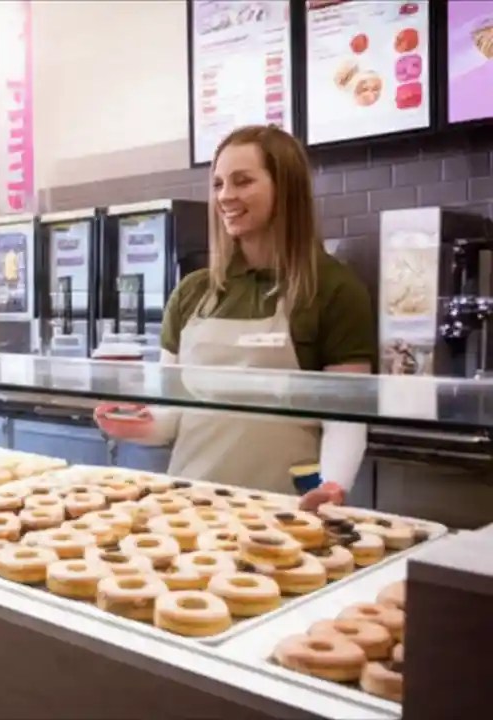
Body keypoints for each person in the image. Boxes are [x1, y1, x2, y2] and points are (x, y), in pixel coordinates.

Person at [94, 125, 374, 509]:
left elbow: (345, 419)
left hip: (284, 510)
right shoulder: (193, 293)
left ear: (286, 189)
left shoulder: (334, 290)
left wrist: (332, 486)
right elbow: (172, 418)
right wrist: (129, 423)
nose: (225, 196)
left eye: (242, 182)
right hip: (187, 507)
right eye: (218, 184)